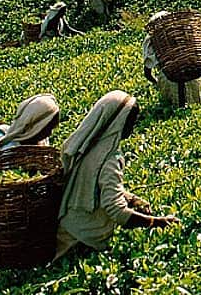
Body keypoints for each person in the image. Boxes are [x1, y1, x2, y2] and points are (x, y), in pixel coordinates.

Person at [55, 91, 179, 259]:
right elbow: (116, 211)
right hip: (84, 241)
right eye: (131, 122)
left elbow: (93, 187)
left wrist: (131, 198)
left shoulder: (84, 146)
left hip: (65, 230)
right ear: (118, 122)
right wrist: (156, 222)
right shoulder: (110, 159)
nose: (133, 127)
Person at [143, 12, 201, 108]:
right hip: (191, 75)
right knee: (195, 109)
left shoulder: (152, 39)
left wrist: (156, 83)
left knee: (173, 112)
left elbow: (147, 72)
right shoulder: (182, 31)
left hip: (168, 77)